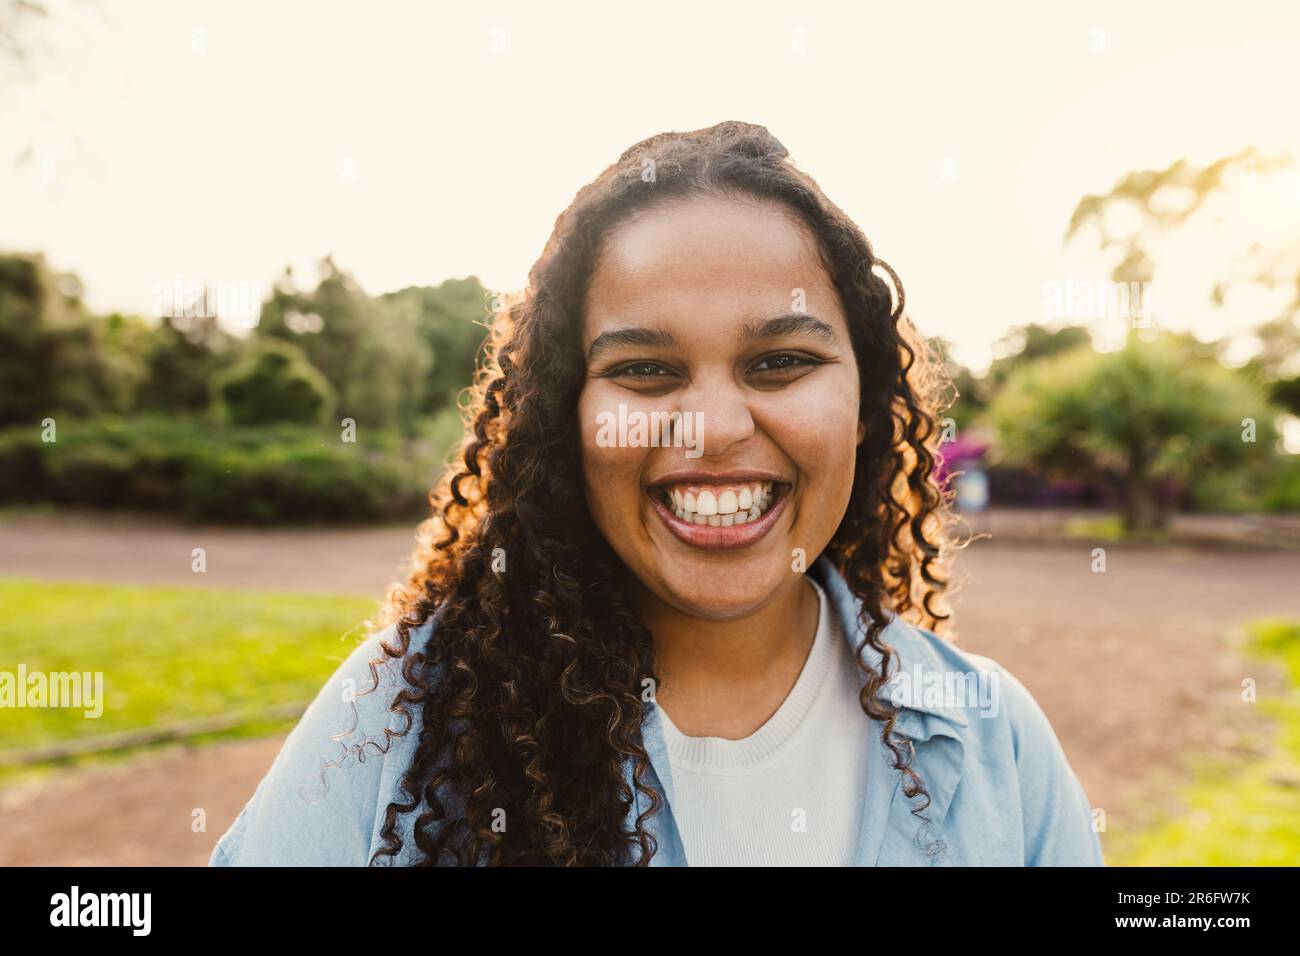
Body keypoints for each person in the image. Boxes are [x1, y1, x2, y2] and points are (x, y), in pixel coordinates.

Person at [209, 121, 1104, 867]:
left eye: (781, 362)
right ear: (569, 417)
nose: (711, 427)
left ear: (865, 405)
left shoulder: (993, 744)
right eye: (645, 371)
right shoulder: (401, 713)